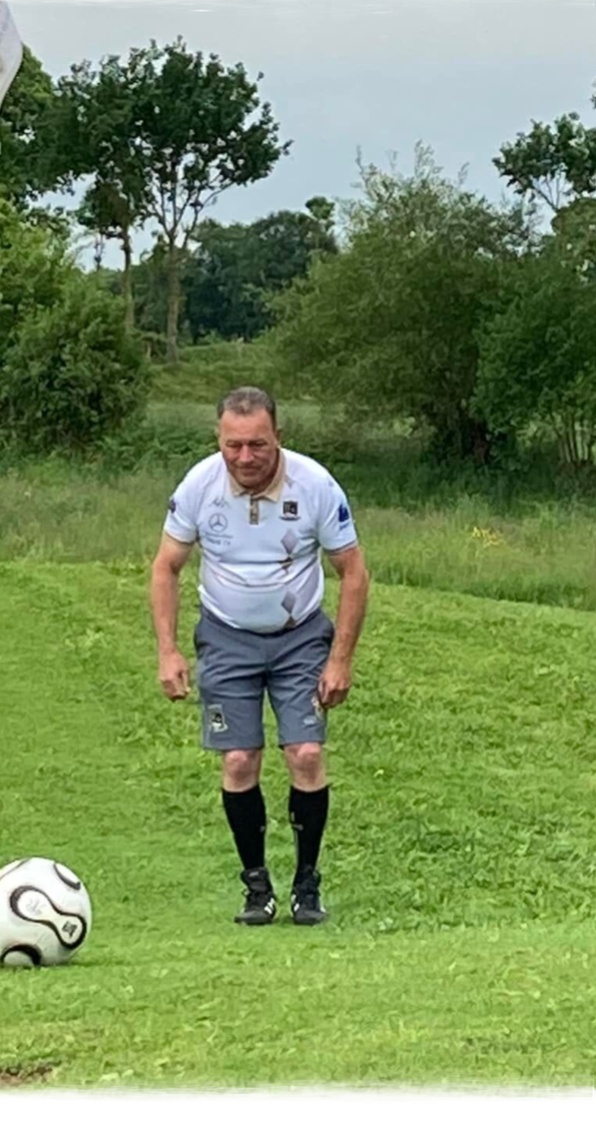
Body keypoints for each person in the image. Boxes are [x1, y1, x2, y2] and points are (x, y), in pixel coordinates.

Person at [149, 386, 370, 925]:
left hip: (299, 638)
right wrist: (169, 650)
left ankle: (306, 883)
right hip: (226, 637)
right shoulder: (200, 486)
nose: (245, 458)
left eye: (258, 445)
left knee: (307, 755)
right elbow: (166, 568)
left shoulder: (315, 486)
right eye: (233, 446)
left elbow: (354, 572)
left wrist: (339, 659)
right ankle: (256, 887)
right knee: (239, 759)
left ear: (278, 439)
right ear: (218, 441)